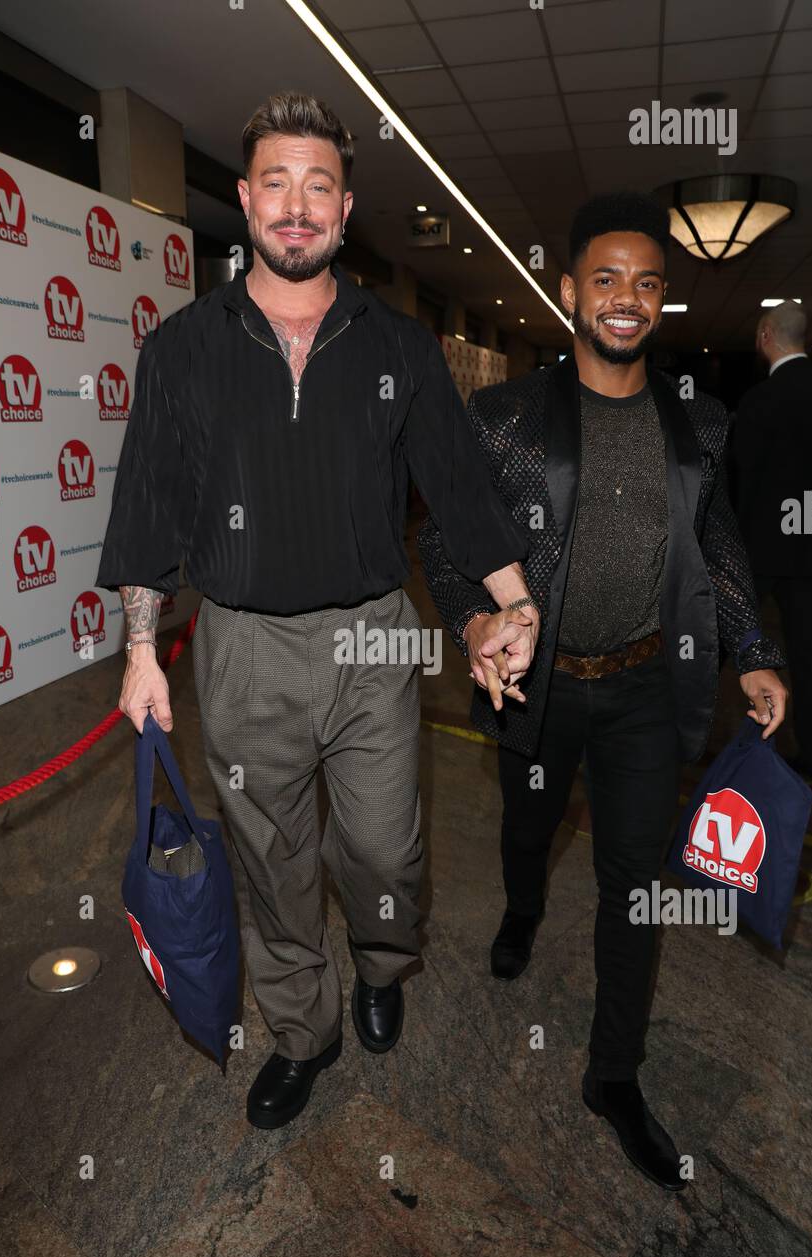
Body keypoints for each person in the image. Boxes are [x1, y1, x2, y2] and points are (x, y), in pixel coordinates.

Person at [96, 92, 535, 1130]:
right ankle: (305, 1029)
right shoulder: (180, 351)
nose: (296, 207)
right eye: (275, 185)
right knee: (271, 858)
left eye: (318, 186)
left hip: (375, 634)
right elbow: (149, 509)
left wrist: (509, 604)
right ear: (245, 199)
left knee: (384, 849)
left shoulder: (401, 348)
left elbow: (460, 497)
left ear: (346, 207)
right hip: (240, 647)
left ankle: (381, 964)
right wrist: (141, 650)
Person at [418, 191, 789, 1191]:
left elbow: (715, 544)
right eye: (606, 280)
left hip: (638, 690)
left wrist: (749, 649)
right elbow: (447, 546)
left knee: (633, 886)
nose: (625, 300)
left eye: (645, 285)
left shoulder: (696, 425)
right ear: (568, 289)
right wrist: (475, 622)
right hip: (532, 689)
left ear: (659, 303)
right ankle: (519, 907)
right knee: (526, 831)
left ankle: (611, 1076)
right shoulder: (502, 419)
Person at [734, 301, 812, 780]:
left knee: (730, 642)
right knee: (811, 655)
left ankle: (693, 735)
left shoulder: (758, 402)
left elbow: (743, 479)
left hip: (762, 549)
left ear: (766, 335)